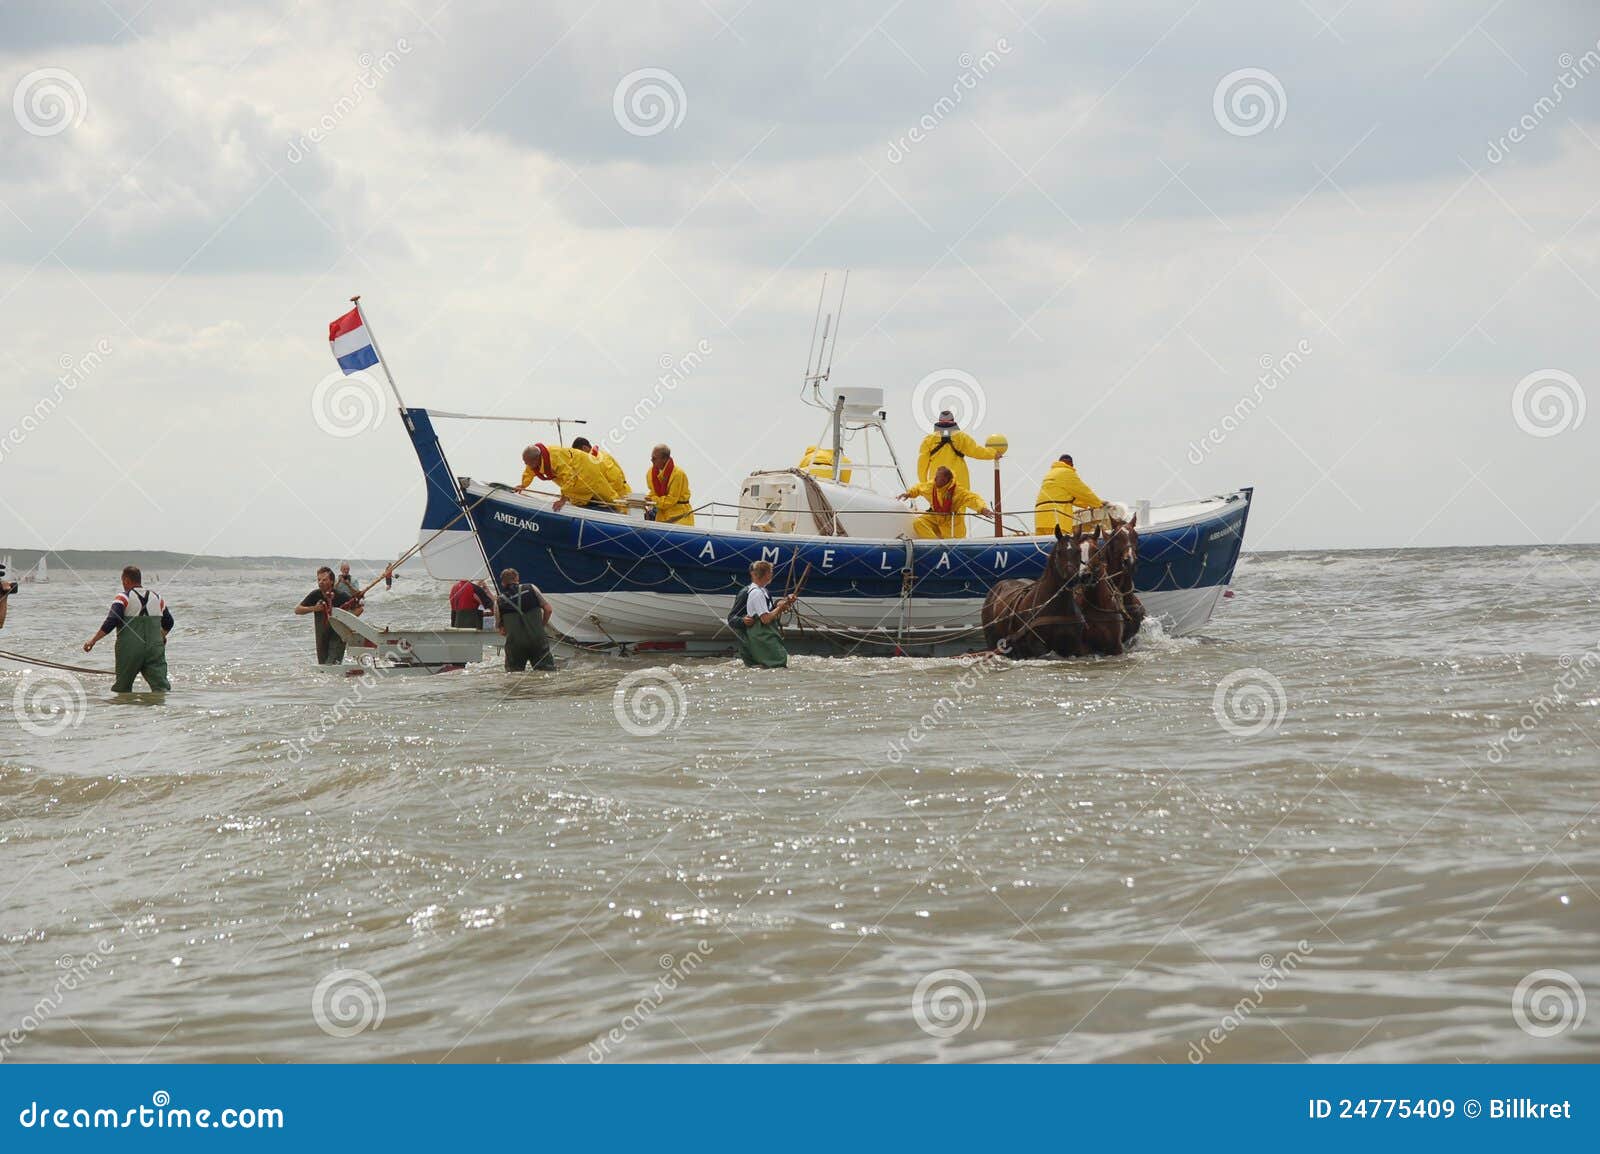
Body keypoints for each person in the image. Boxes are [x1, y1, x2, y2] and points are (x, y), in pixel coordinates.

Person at [82, 565, 173, 692]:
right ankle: (159, 711)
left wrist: (93, 640)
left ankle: (125, 711)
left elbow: (112, 621)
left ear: (126, 580)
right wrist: (161, 636)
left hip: (130, 650)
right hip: (154, 650)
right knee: (161, 688)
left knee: (122, 689)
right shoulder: (158, 598)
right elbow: (169, 622)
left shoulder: (123, 598)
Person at [516, 443, 625, 512]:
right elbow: (529, 471)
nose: (526, 464)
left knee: (609, 497)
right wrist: (523, 485)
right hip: (577, 475)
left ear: (536, 460)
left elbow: (569, 477)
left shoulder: (555, 458)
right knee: (578, 498)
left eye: (527, 462)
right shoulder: (536, 460)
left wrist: (563, 499)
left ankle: (625, 512)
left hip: (587, 470)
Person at [729, 559, 795, 668]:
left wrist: (783, 603)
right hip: (755, 637)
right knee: (774, 664)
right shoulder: (748, 593)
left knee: (766, 666)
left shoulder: (764, 591)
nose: (772, 575)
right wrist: (742, 621)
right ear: (767, 574)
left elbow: (766, 610)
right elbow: (731, 618)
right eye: (770, 572)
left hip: (761, 635)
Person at [915, 409, 1002, 491]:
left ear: (939, 421)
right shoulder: (961, 437)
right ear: (953, 420)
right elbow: (976, 451)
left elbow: (921, 465)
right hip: (958, 484)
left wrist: (924, 485)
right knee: (958, 505)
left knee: (938, 506)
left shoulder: (929, 440)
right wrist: (993, 454)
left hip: (937, 483)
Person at [294, 565, 363, 665]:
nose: (320, 582)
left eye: (324, 580)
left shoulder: (341, 596)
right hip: (321, 636)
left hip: (338, 635)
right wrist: (315, 608)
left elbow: (359, 609)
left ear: (332, 582)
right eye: (319, 580)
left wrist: (345, 619)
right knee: (323, 667)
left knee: (333, 665)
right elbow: (297, 610)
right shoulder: (315, 595)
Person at [898, 465, 990, 539]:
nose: (935, 479)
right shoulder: (931, 485)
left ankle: (943, 546)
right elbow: (919, 488)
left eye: (938, 477)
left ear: (945, 480)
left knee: (954, 542)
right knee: (918, 523)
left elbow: (973, 499)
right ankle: (935, 545)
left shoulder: (958, 491)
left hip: (952, 523)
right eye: (935, 476)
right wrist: (909, 494)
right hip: (936, 516)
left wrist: (982, 509)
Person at [495, 567, 555, 671]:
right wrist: (541, 626)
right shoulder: (531, 588)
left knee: (513, 676)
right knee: (546, 673)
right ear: (517, 578)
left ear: (503, 583)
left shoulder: (499, 601)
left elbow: (501, 630)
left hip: (515, 645)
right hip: (538, 640)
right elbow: (548, 610)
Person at [1034, 453, 1104, 536]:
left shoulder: (1050, 474)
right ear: (1071, 464)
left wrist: (1086, 504)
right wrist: (1098, 503)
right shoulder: (1067, 472)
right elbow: (1083, 492)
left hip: (1040, 518)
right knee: (1061, 544)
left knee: (1043, 546)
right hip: (1057, 518)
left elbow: (1068, 497)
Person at [646, 443, 694, 526]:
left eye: (654, 458)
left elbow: (671, 500)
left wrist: (652, 500)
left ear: (664, 459)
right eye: (651, 458)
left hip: (679, 518)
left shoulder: (678, 474)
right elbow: (653, 493)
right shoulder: (650, 473)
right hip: (661, 518)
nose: (651, 460)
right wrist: (646, 500)